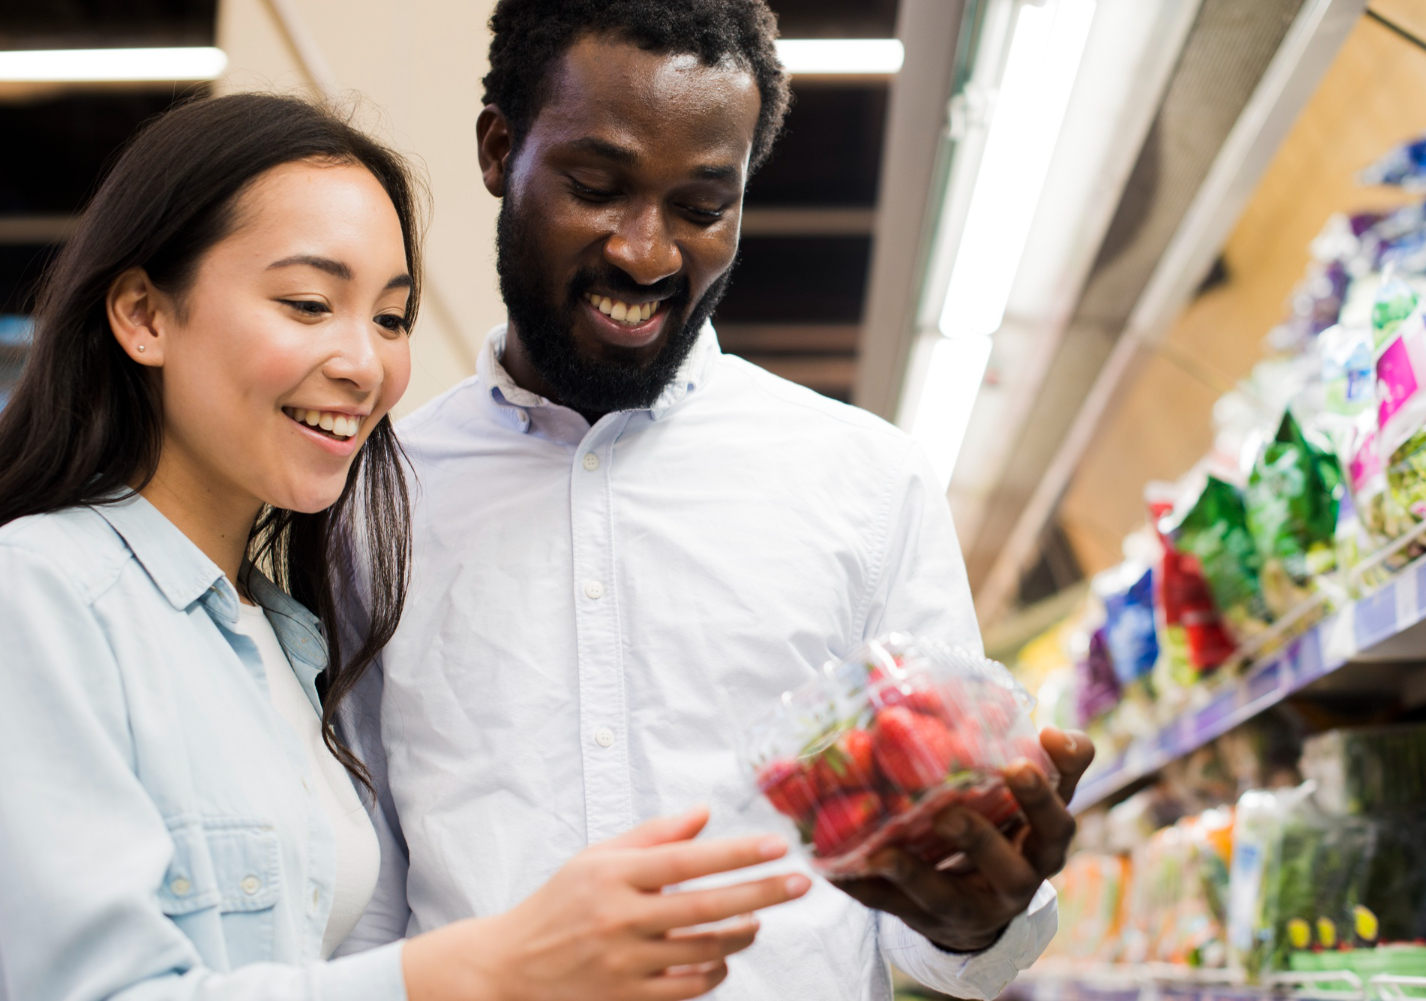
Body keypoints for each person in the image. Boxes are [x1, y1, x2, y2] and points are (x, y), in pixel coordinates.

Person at [343, 2, 1096, 998]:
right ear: (499, 149)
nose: (647, 255)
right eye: (598, 187)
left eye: (702, 206)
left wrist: (978, 922)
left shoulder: (866, 480)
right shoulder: (374, 494)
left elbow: (941, 913)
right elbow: (364, 899)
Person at [0, 92, 809, 1001]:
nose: (365, 364)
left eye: (390, 319)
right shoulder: (40, 592)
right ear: (145, 314)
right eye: (309, 303)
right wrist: (483, 966)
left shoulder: (289, 641)